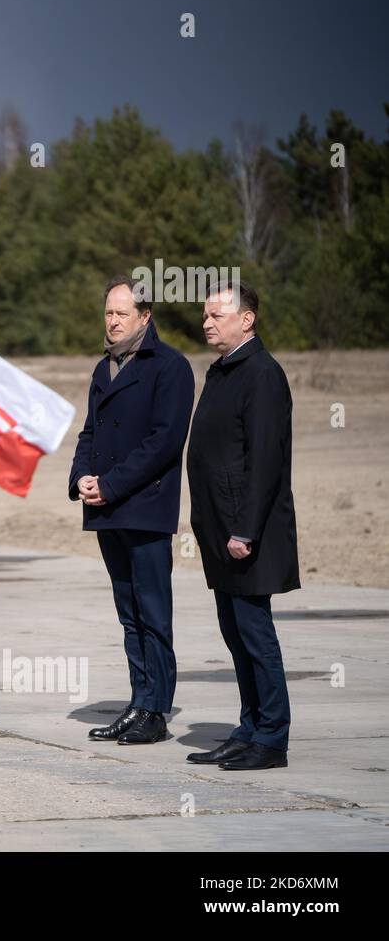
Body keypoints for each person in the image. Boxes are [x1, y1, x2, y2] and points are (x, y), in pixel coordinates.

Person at [69, 276, 194, 744]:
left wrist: (111, 485)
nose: (113, 320)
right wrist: (80, 478)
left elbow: (163, 443)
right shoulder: (104, 370)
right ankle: (138, 703)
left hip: (144, 508)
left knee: (153, 614)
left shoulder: (171, 367)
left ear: (145, 316)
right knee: (129, 615)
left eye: (123, 313)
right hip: (108, 509)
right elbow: (89, 433)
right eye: (108, 312)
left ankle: (156, 713)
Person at [185, 281, 298, 770]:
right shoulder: (224, 371)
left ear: (246, 319)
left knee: (255, 634)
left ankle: (271, 738)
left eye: (216, 315)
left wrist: (245, 531)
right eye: (205, 315)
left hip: (247, 534)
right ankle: (249, 727)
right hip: (219, 530)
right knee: (235, 633)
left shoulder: (262, 375)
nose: (207, 322)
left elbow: (265, 462)